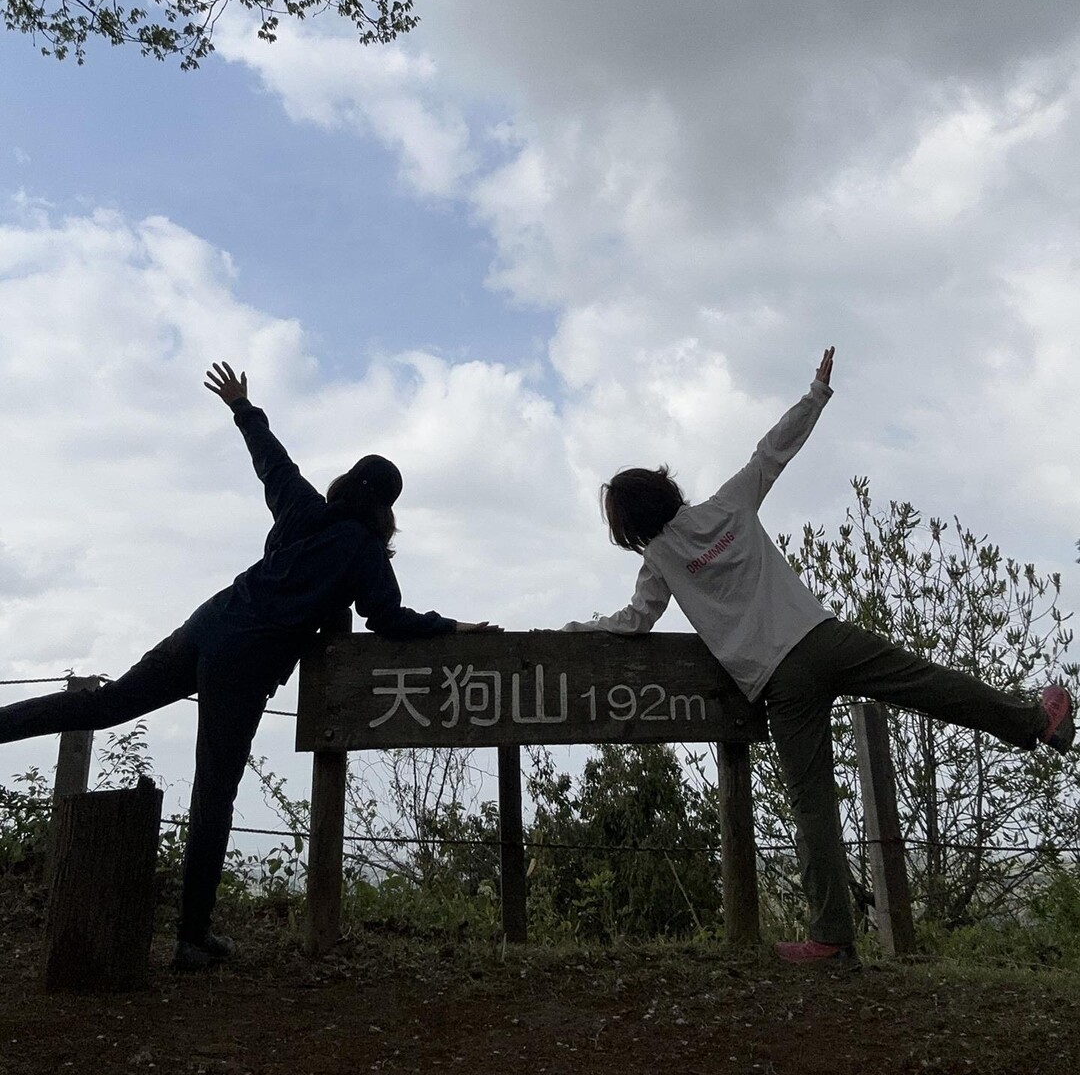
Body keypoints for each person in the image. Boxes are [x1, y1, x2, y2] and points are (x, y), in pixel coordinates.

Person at [562, 347, 1074, 968]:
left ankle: (831, 940)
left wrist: (579, 629)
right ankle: (1033, 722)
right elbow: (771, 452)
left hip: (780, 683)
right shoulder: (726, 506)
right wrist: (815, 392)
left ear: (629, 528)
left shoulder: (661, 562)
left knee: (812, 804)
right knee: (926, 682)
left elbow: (635, 622)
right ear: (665, 488)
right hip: (822, 638)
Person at [0, 361, 492, 971]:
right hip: (244, 664)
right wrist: (451, 625)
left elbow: (272, 461)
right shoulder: (366, 553)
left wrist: (243, 407)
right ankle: (192, 937)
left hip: (206, 625)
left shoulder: (305, 510)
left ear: (345, 485)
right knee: (213, 794)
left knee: (104, 706)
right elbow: (388, 619)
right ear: (387, 508)